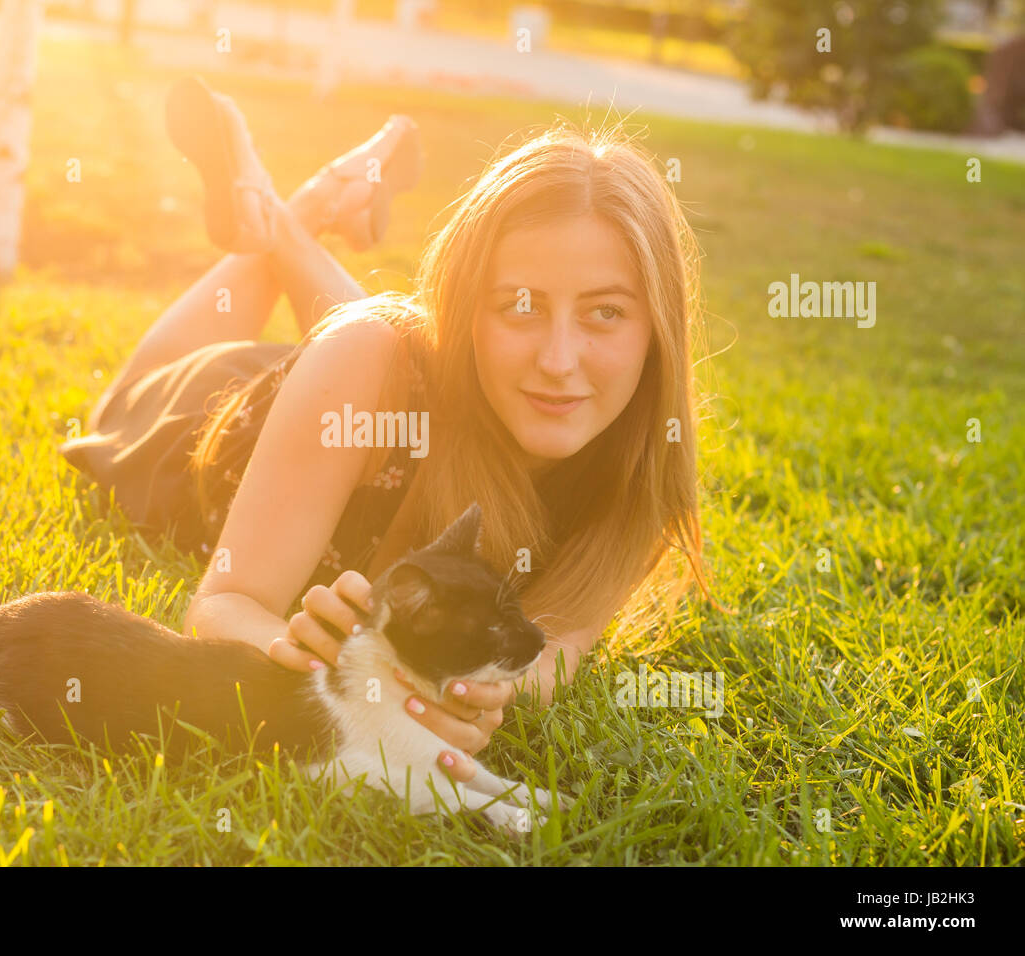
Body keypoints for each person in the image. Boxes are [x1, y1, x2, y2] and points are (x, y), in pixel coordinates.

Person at [61, 75, 720, 787]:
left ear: (659, 327)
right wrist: (303, 650)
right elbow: (222, 604)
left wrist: (476, 697)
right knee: (138, 399)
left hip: (371, 395)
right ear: (469, 313)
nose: (560, 362)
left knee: (387, 352)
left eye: (605, 313)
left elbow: (555, 656)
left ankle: (311, 202)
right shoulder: (370, 364)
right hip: (205, 417)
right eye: (519, 307)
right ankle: (295, 207)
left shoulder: (639, 474)